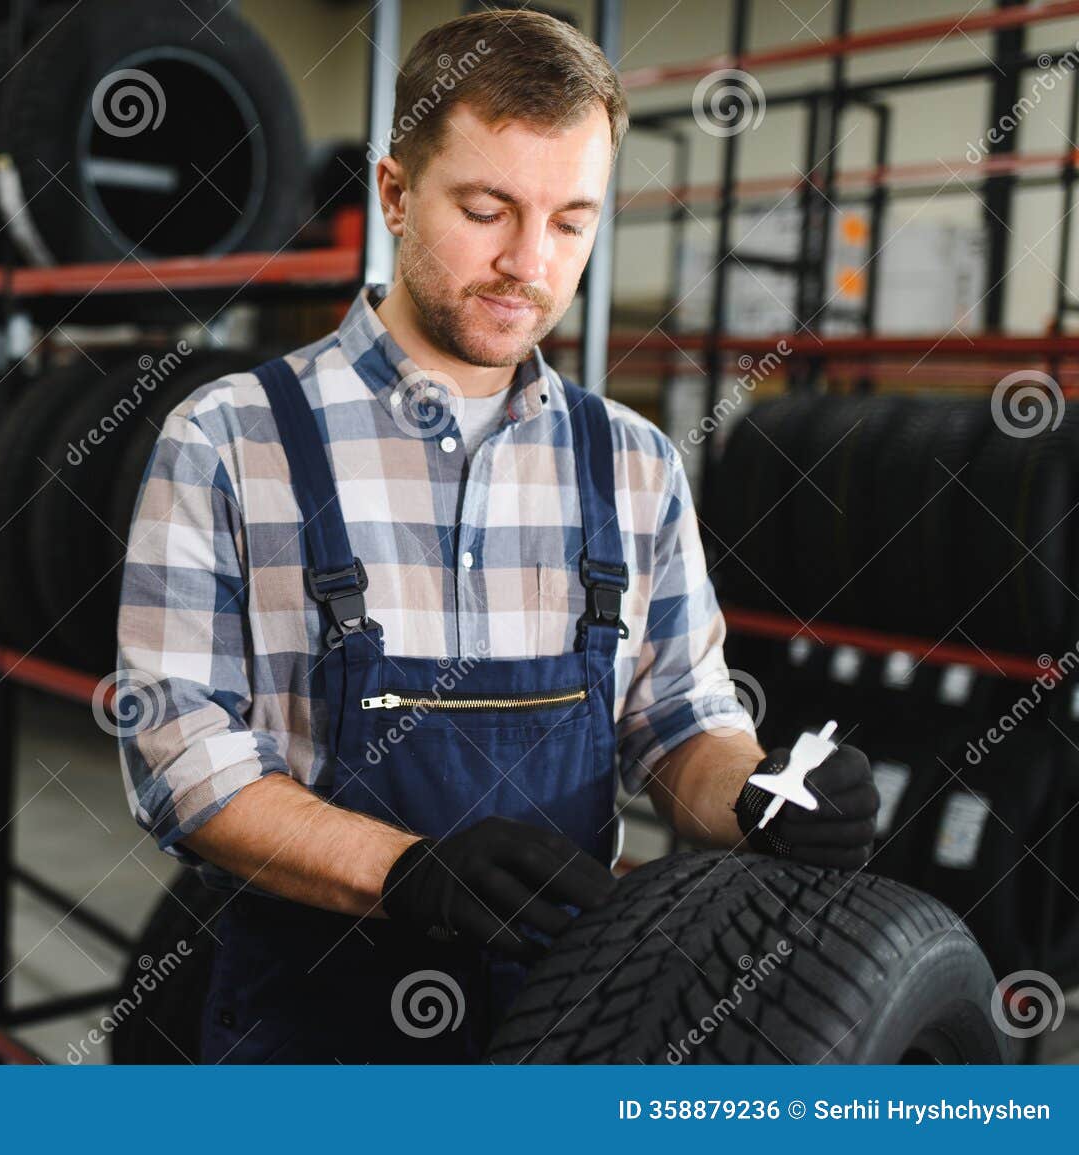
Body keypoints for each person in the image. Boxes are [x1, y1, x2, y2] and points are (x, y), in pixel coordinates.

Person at [115, 8, 879, 1064]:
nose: (528, 261)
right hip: (310, 1029)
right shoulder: (231, 439)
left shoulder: (633, 463)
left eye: (570, 222)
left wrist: (755, 794)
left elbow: (676, 723)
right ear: (393, 193)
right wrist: (403, 872)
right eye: (486, 209)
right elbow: (180, 760)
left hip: (565, 1025)